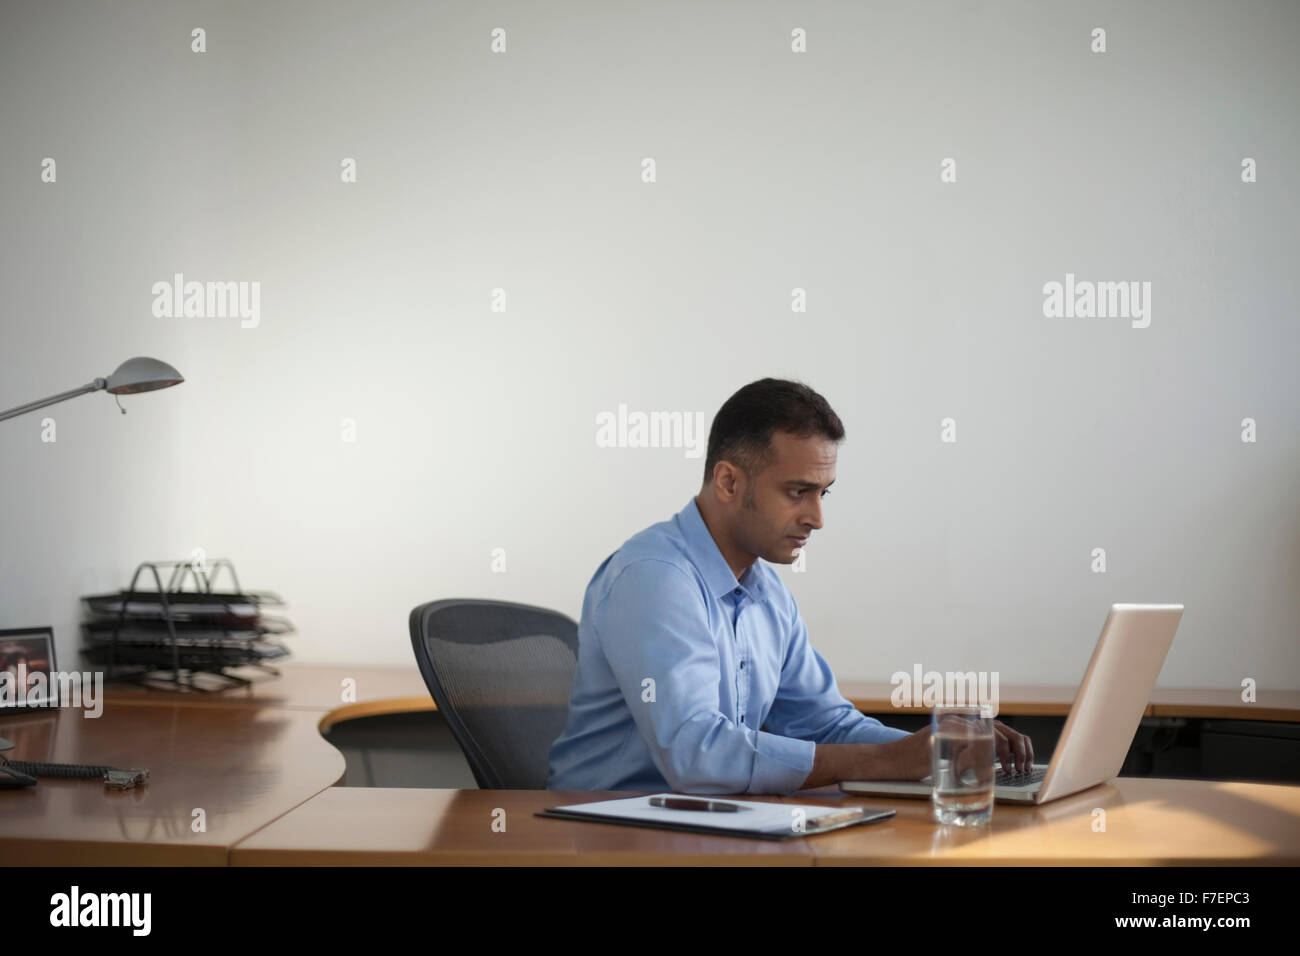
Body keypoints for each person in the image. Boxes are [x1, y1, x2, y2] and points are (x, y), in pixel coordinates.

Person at [547, 377, 1033, 794]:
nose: (817, 518)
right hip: (606, 834)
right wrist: (890, 762)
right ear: (729, 482)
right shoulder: (655, 578)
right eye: (797, 492)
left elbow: (825, 724)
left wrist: (943, 749)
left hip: (701, 826)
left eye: (823, 494)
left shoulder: (766, 592)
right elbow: (696, 755)